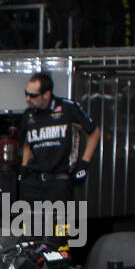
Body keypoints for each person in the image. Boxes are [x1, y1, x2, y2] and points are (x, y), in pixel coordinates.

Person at [18, 71, 100, 204]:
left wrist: (84, 164)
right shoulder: (28, 115)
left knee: (58, 224)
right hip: (33, 180)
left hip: (59, 180)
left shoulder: (67, 108)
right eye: (26, 94)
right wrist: (23, 166)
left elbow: (94, 132)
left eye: (33, 95)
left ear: (46, 94)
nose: (28, 98)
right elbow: (27, 143)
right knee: (29, 223)